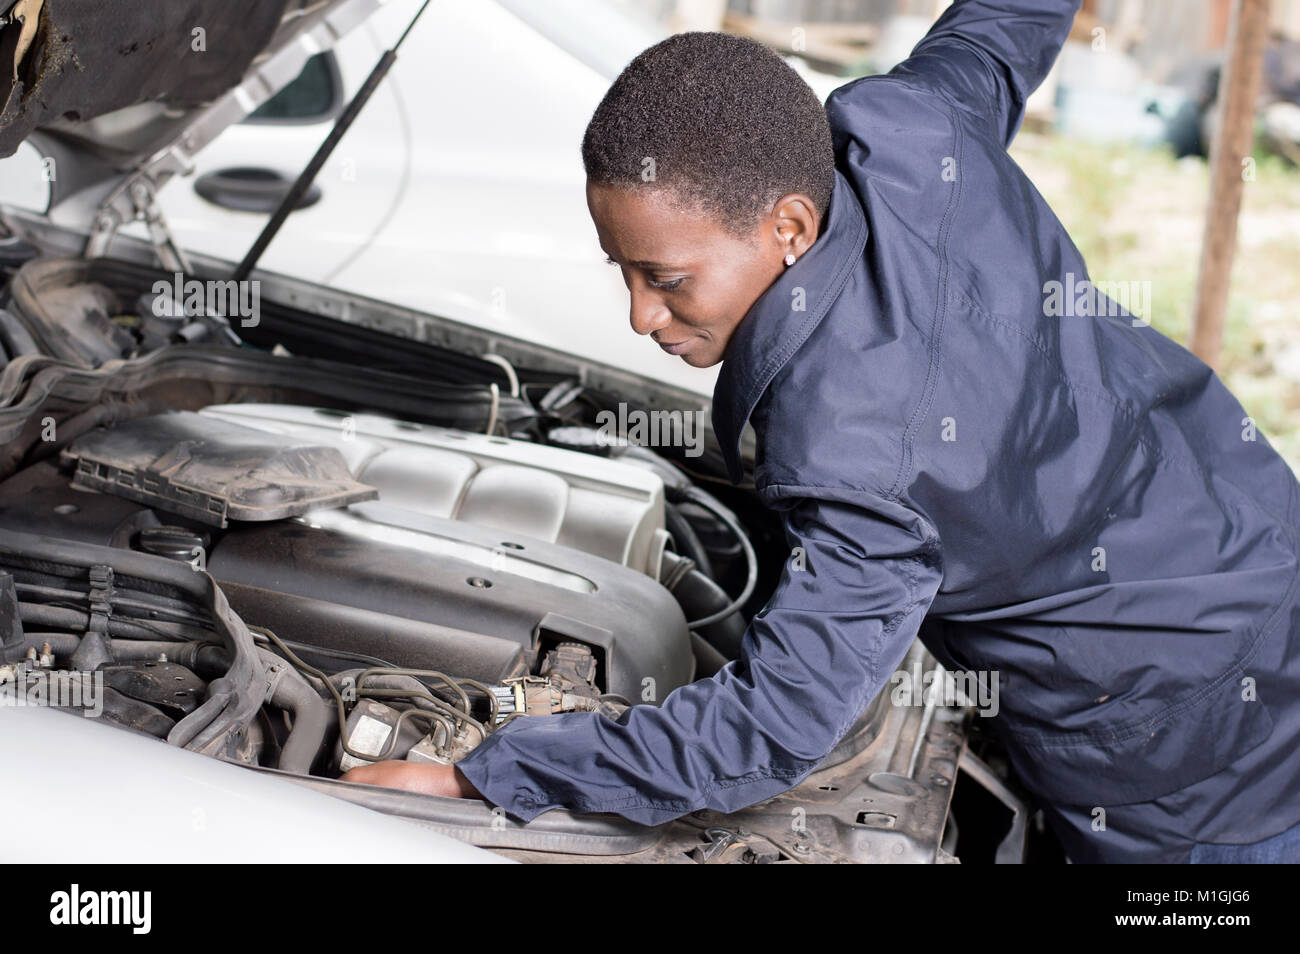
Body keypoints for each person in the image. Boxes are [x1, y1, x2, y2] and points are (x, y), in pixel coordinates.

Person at [342, 0, 1300, 864]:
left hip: (1196, 757)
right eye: (621, 271)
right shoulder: (906, 126)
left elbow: (767, 731)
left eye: (665, 277)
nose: (639, 314)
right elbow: (999, 31)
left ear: (791, 227)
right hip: (1252, 531)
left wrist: (489, 776)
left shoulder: (854, 445)